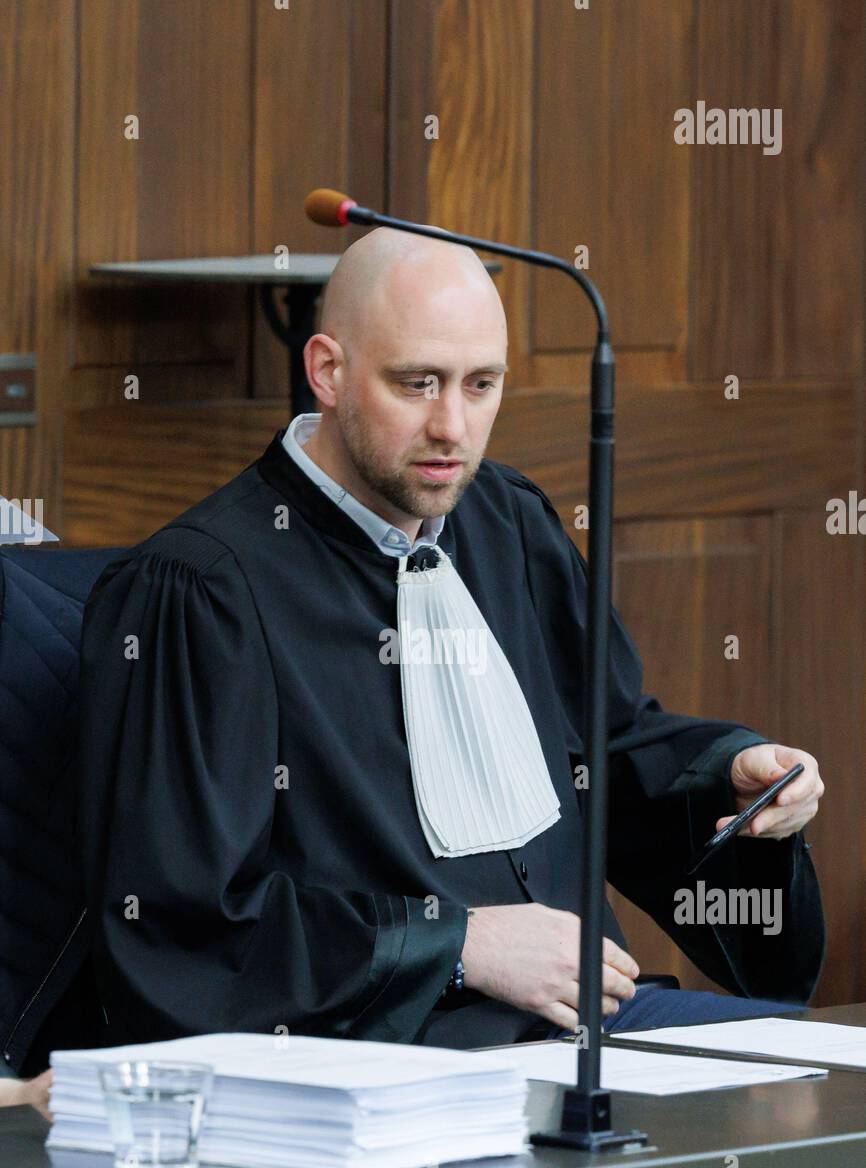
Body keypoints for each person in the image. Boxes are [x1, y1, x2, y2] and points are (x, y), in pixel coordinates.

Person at [78, 228, 825, 1052]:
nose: (452, 427)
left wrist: (733, 775)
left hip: (599, 1024)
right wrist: (460, 948)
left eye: (481, 384)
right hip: (399, 1064)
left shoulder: (509, 521)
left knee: (818, 1089)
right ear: (326, 370)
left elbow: (609, 748)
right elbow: (182, 926)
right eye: (417, 383)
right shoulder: (201, 592)